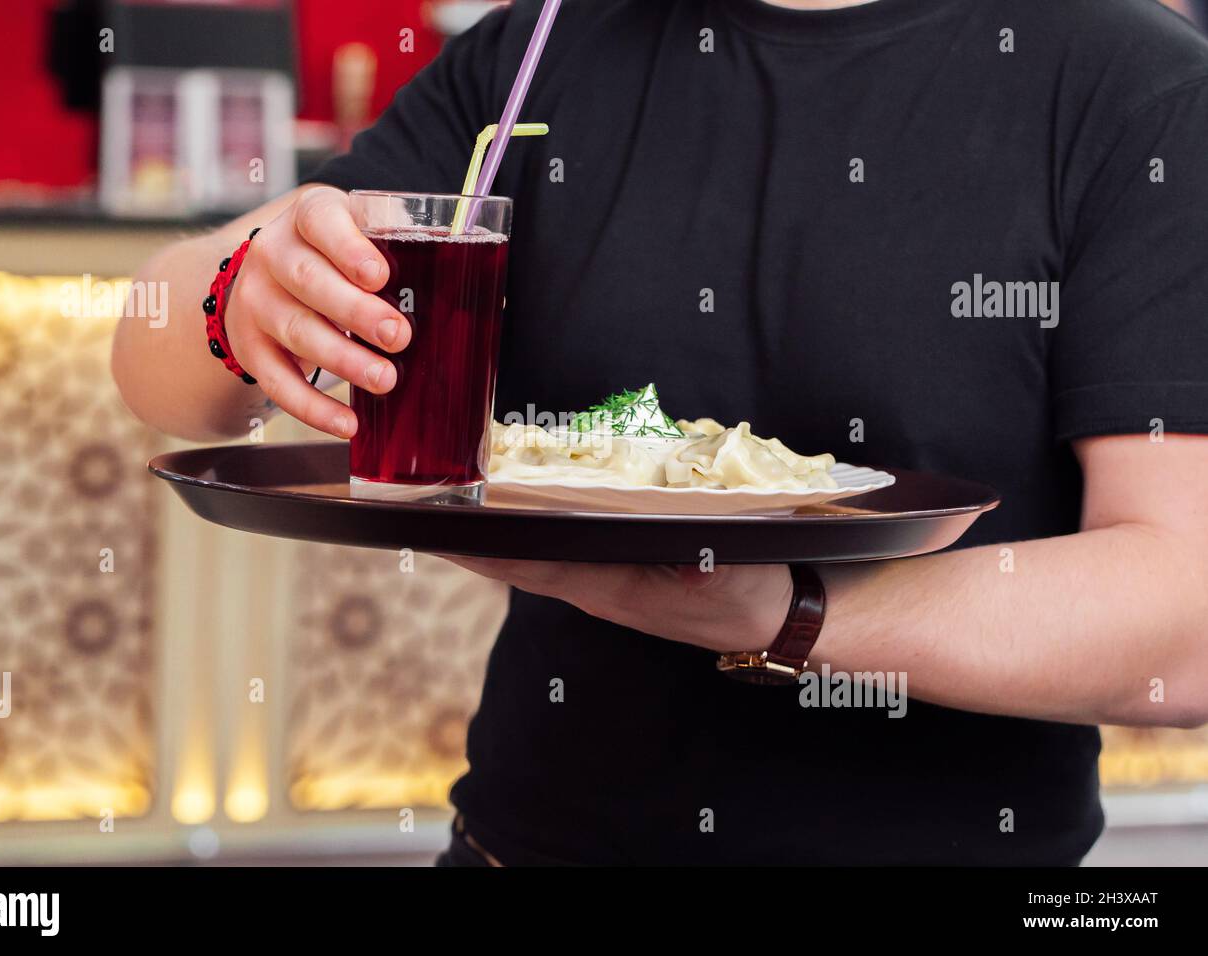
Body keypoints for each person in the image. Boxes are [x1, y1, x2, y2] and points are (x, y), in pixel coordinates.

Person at [113, 0, 1208, 865]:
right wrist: (239, 293)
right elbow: (155, 365)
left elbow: (1185, 619)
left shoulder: (1132, 83)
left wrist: (782, 610)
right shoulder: (544, 46)